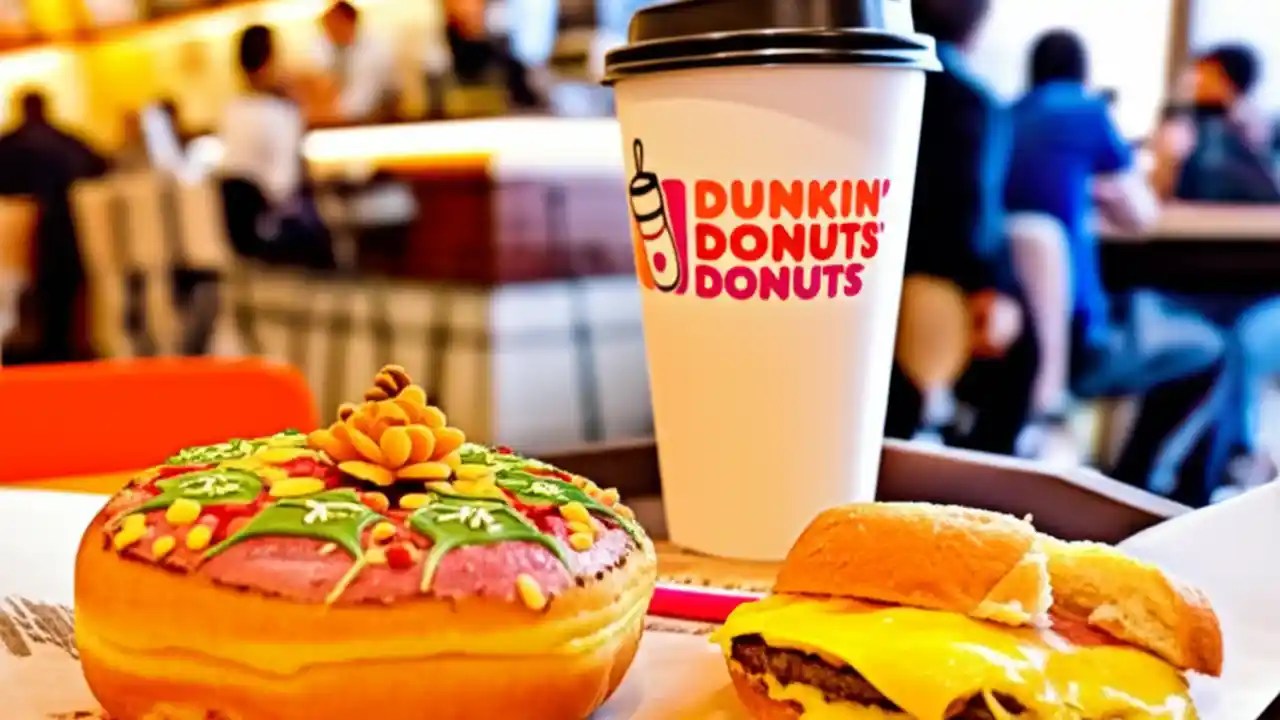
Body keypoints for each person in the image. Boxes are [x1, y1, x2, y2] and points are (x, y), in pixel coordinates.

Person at [1003, 29, 1226, 493]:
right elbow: (1142, 214)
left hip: (1012, 340)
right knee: (1209, 347)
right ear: (1083, 75)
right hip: (1078, 341)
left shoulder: (1006, 115)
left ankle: (1126, 478)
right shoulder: (1087, 113)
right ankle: (1139, 483)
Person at [884, 0, 1037, 455]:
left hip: (860, 280)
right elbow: (971, 212)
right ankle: (992, 495)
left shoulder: (868, 82)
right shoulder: (970, 98)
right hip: (936, 283)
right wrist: (993, 286)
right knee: (1025, 355)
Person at [0, 90, 108, 362]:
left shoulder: (10, 143)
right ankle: (64, 349)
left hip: (20, 236)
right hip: (67, 230)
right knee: (64, 297)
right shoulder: (67, 141)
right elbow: (99, 167)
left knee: (25, 301)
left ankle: (31, 352)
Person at [218, 24, 333, 269]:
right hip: (272, 231)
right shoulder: (282, 114)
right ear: (271, 60)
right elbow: (283, 187)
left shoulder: (230, 112)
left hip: (237, 235)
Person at [309, 1, 400, 123]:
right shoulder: (322, 47)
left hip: (371, 120)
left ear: (349, 22)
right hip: (340, 119)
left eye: (334, 25)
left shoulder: (375, 50)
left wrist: (334, 114)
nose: (329, 33)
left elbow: (364, 98)